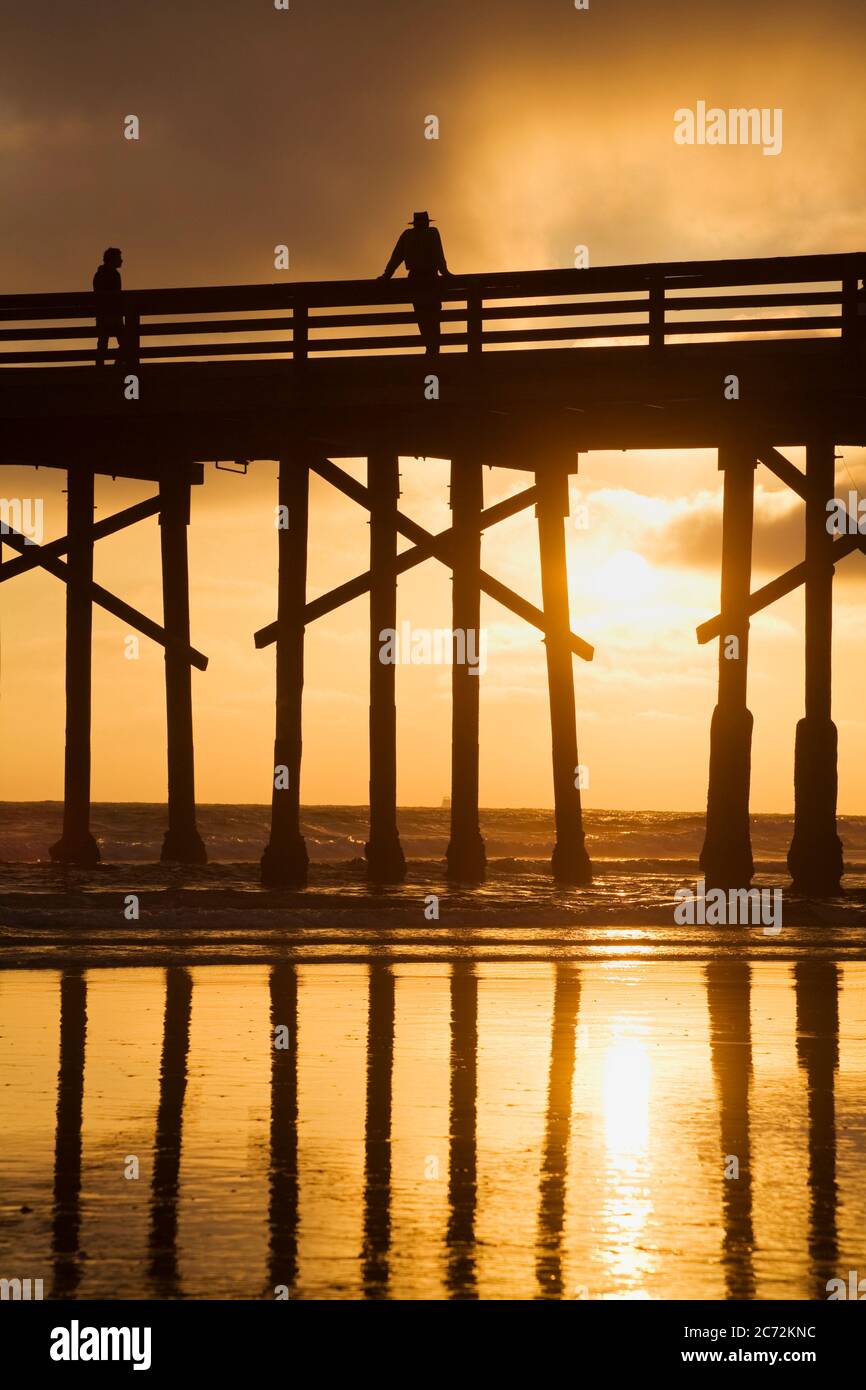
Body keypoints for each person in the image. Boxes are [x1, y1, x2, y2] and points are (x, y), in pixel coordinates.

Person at [380, 211, 450, 354]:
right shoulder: (432, 233)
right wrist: (446, 274)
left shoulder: (407, 235)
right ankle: (434, 351)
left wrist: (386, 276)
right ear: (427, 222)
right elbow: (439, 256)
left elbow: (396, 258)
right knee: (434, 318)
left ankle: (429, 349)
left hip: (414, 280)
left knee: (422, 317)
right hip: (431, 279)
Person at [93, 247, 126, 367]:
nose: (121, 260)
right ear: (112, 259)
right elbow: (116, 296)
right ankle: (116, 366)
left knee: (102, 344)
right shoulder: (114, 275)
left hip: (102, 316)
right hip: (113, 316)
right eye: (119, 258)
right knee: (126, 342)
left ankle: (100, 369)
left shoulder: (99, 274)